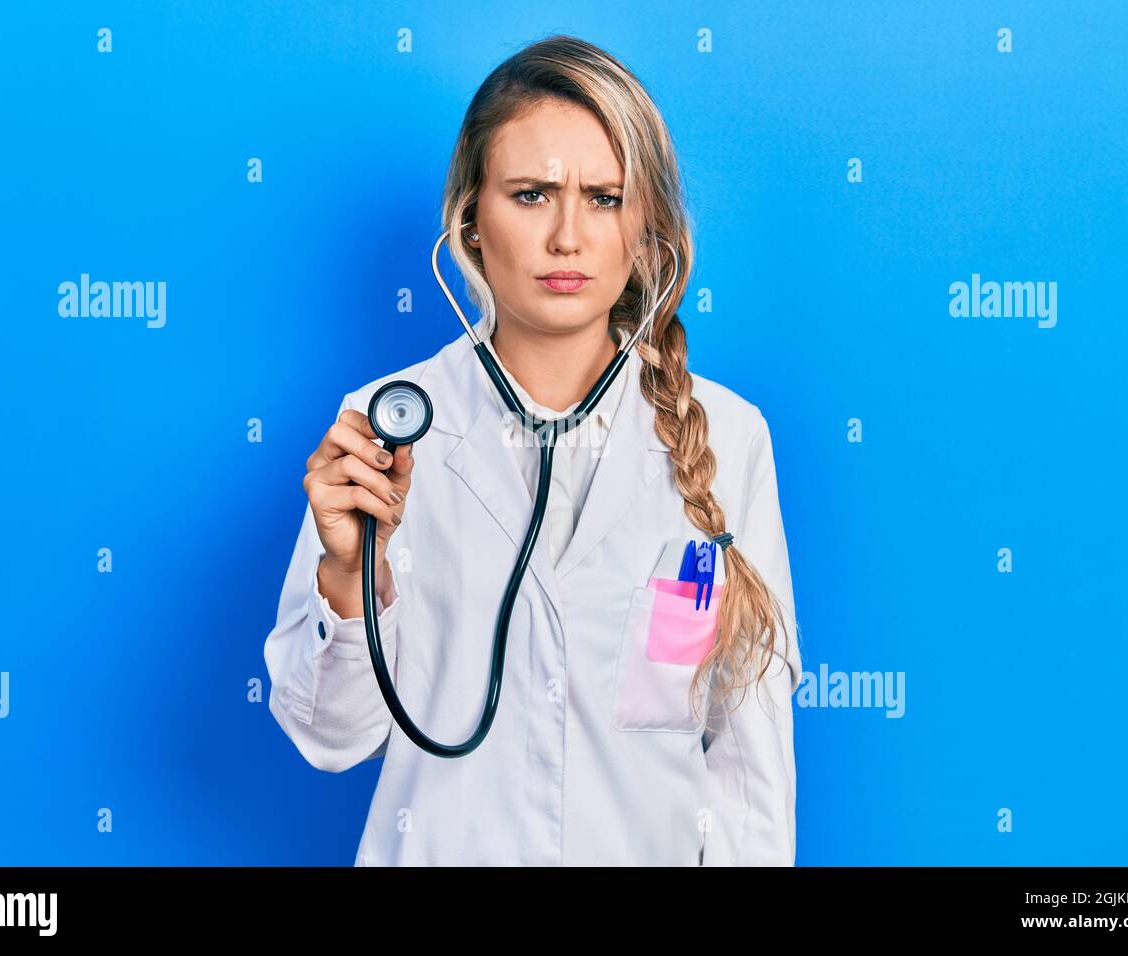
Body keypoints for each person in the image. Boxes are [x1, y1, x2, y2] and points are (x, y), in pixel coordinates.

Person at [263, 34, 803, 866]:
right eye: (531, 193)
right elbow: (332, 738)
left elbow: (749, 765)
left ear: (646, 228)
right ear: (470, 221)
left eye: (603, 197)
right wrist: (350, 576)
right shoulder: (381, 426)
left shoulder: (730, 438)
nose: (566, 237)